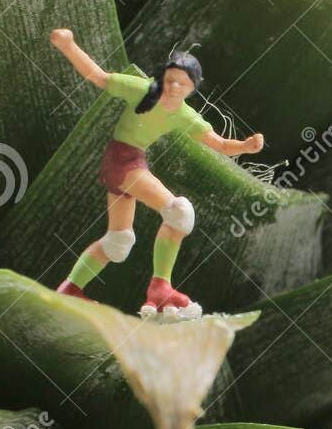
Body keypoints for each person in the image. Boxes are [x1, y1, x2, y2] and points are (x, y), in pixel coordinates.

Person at [48, 28, 263, 320]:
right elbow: (98, 76)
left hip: (132, 162)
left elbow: (220, 144)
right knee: (179, 212)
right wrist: (68, 45)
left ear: (192, 89)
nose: (174, 87)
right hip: (121, 161)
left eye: (183, 84)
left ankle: (70, 289)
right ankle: (160, 288)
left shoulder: (185, 116)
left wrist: (246, 147)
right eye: (171, 80)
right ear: (163, 76)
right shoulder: (141, 89)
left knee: (119, 242)